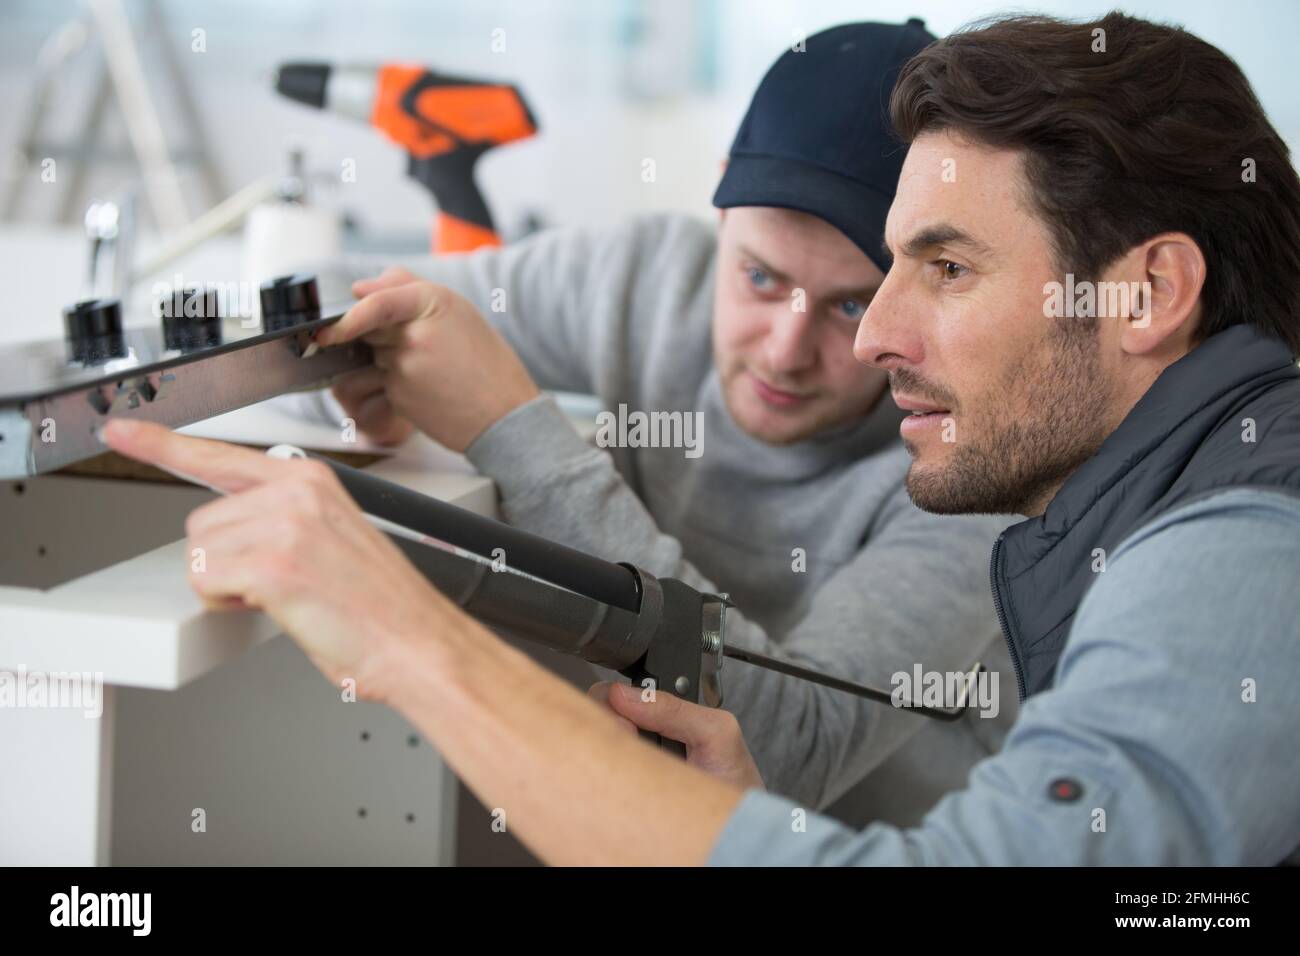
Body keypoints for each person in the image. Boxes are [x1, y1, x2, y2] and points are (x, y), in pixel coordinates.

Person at [105, 8, 1300, 865]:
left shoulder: (1237, 552)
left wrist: (413, 626)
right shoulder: (1157, 496)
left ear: (1143, 296)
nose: (864, 336)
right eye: (766, 277)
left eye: (936, 267)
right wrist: (363, 376)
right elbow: (353, 305)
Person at [286, 18, 1012, 830]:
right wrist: (357, 381)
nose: (784, 351)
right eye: (761, 277)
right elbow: (327, 302)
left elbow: (788, 760)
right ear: (719, 205)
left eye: (851, 303)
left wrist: (510, 427)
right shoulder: (646, 277)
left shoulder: (974, 462)